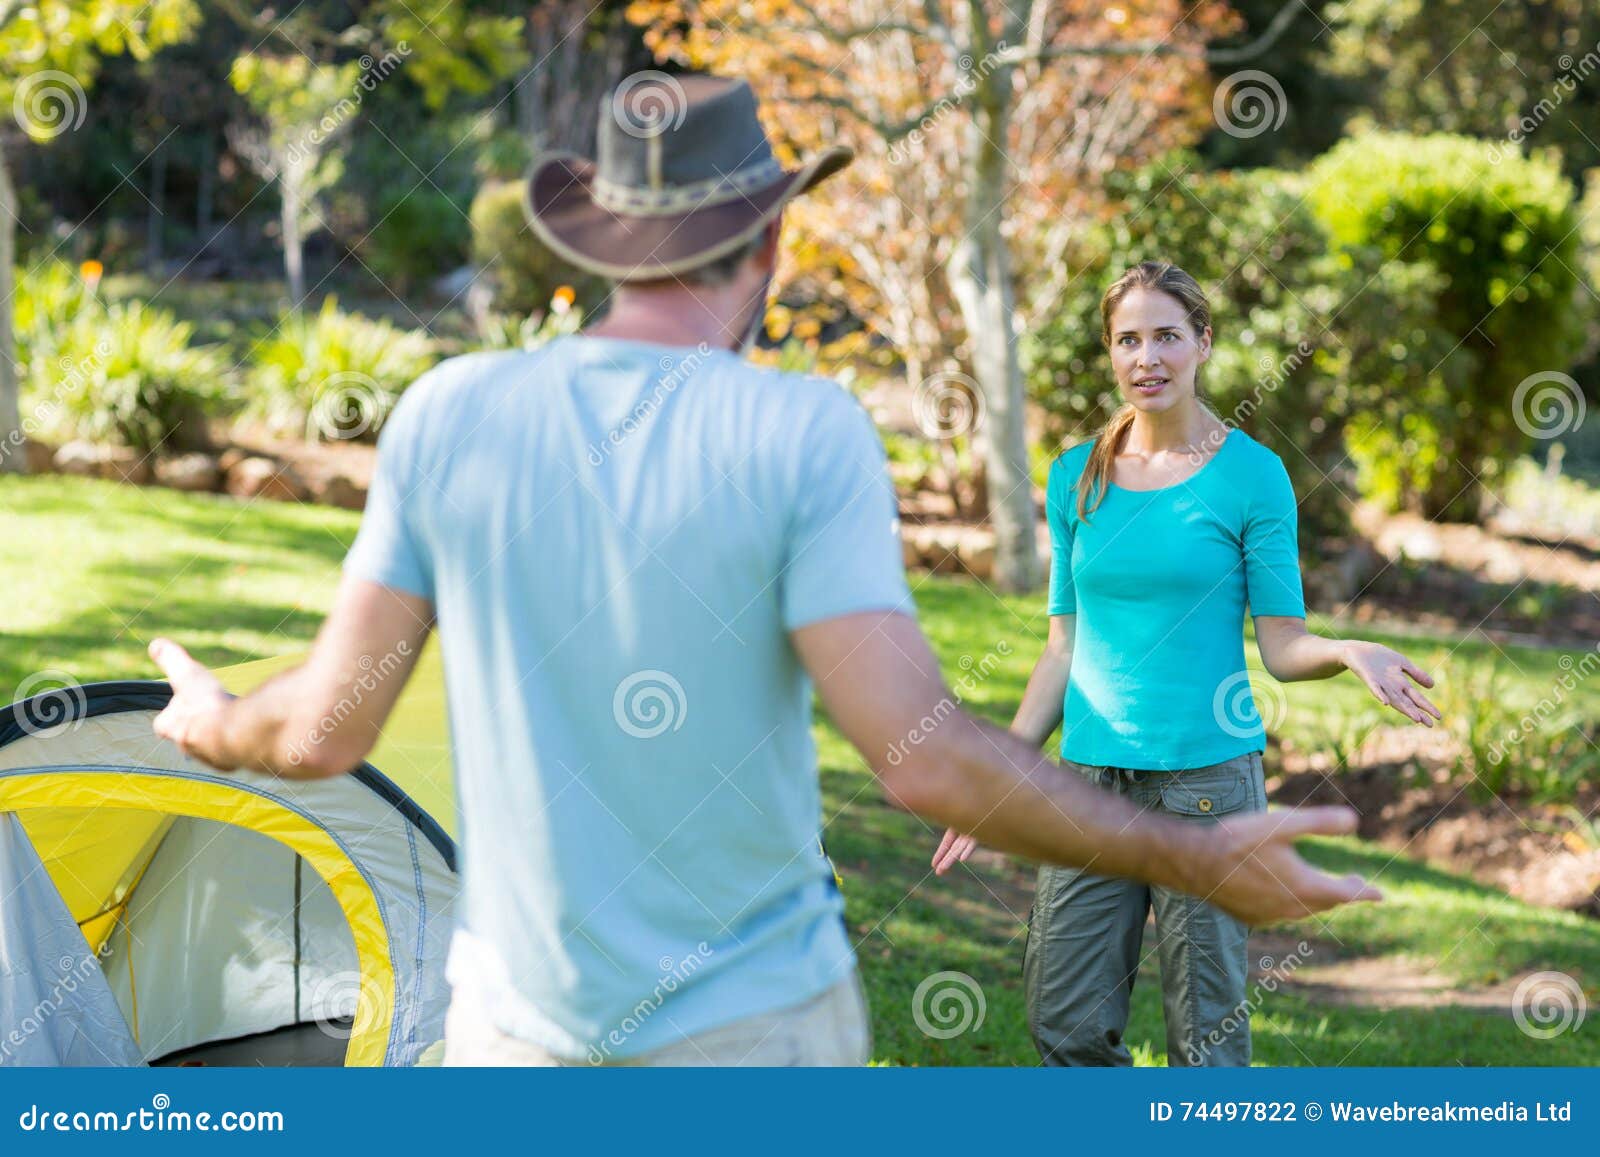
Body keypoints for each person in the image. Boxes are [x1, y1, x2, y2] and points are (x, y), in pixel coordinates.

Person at [146, 77, 1381, 1069]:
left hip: (515, 1042)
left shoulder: (448, 413)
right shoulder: (803, 431)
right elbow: (924, 757)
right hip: (761, 1036)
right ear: (772, 237)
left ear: (608, 240)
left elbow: (318, 731)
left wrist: (210, 721)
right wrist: (1188, 854)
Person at [932, 260, 1439, 1067]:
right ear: (1111, 353)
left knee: (1206, 1041)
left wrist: (1345, 650)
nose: (1148, 358)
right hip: (1088, 788)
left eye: (1167, 335)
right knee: (1064, 1027)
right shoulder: (1076, 475)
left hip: (1207, 786)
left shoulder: (1254, 476)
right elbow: (1062, 646)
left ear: (1202, 342)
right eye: (1128, 340)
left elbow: (1281, 645)